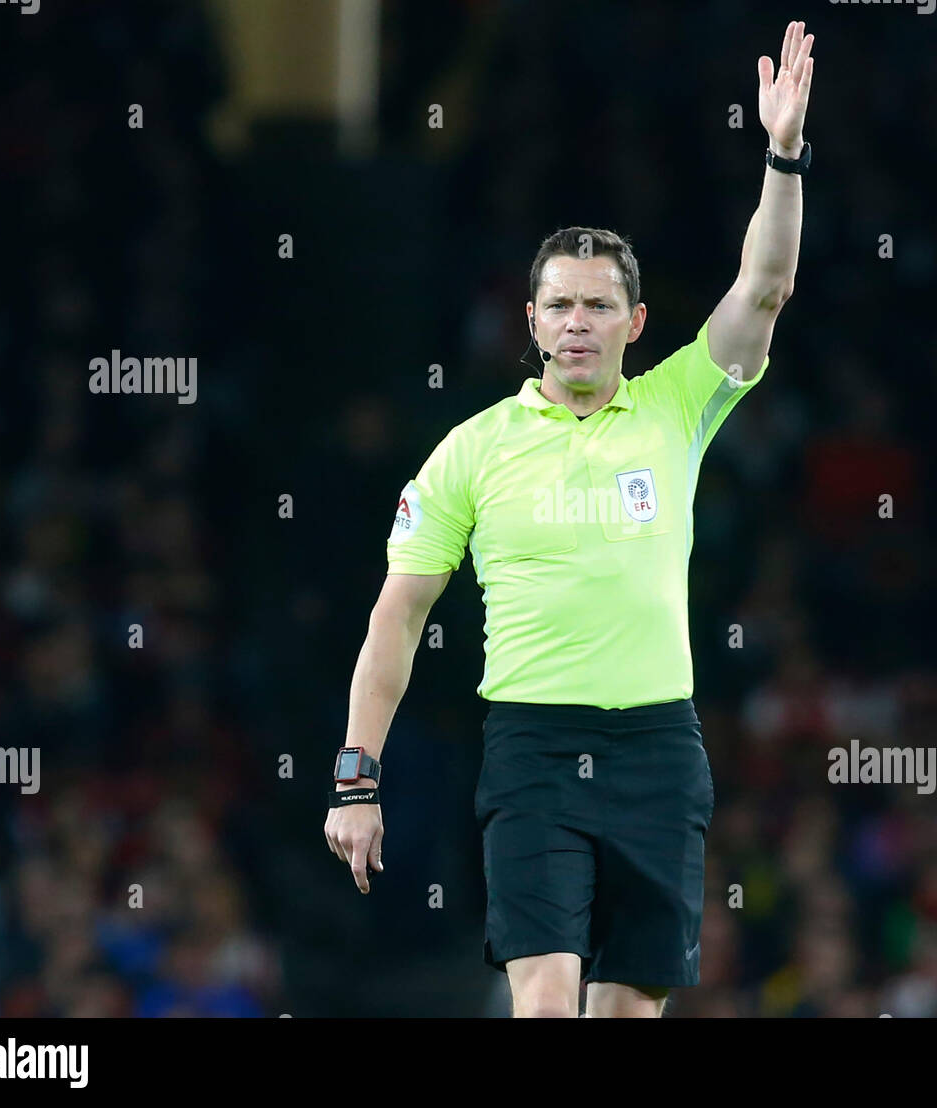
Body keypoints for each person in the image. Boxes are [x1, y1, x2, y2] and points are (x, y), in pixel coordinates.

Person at [324, 20, 814, 1018]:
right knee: (545, 1003)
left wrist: (783, 155)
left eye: (598, 305)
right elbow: (397, 616)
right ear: (532, 321)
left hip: (658, 750)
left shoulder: (678, 404)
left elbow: (764, 288)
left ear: (636, 322)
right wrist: (354, 777)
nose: (577, 323)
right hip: (533, 750)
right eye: (559, 306)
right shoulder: (471, 449)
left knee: (624, 1013)